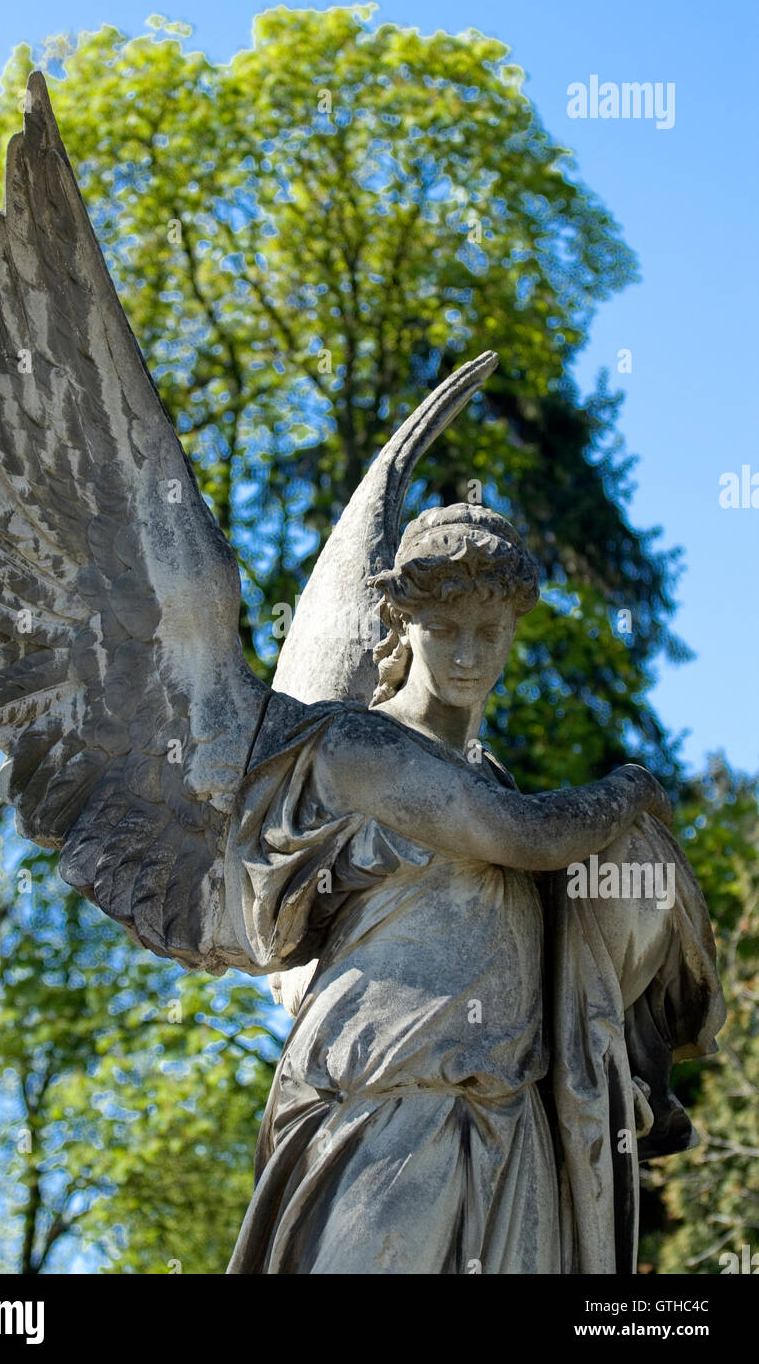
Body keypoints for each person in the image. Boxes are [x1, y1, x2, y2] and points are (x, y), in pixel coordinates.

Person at [224, 504, 720, 1274]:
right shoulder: (360, 746)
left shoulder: (490, 775)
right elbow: (524, 835)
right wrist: (632, 788)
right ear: (402, 624)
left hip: (506, 1115)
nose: (467, 654)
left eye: (489, 632)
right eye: (445, 629)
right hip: (386, 1103)